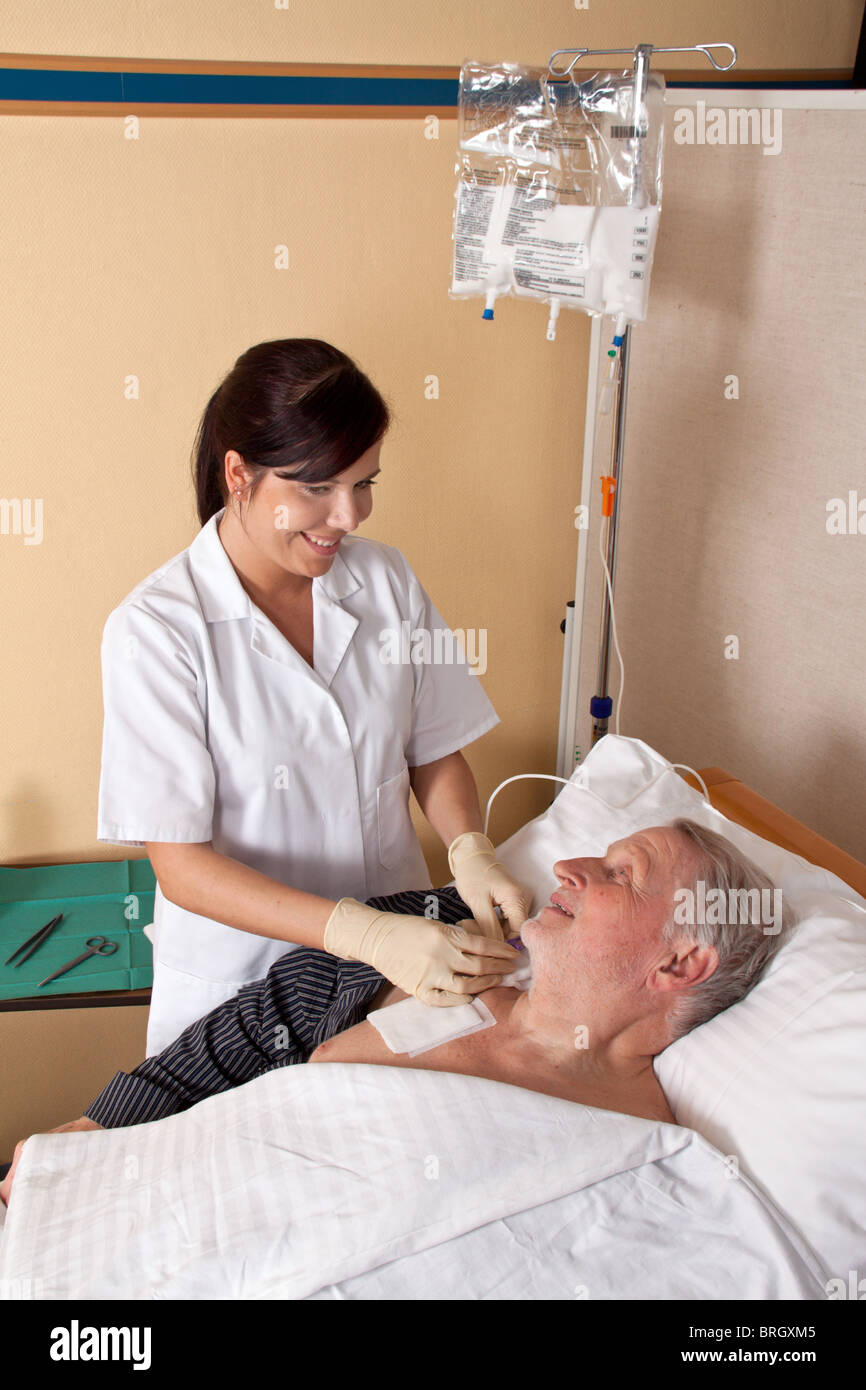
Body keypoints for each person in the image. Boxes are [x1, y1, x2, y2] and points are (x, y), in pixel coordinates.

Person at [96, 337, 530, 1057]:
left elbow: (433, 751)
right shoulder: (157, 630)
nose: (349, 516)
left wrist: (470, 849)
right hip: (241, 985)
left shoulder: (386, 581)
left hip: (394, 975)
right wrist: (362, 932)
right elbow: (182, 867)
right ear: (239, 474)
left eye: (364, 484)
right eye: (317, 489)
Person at [0, 818, 795, 1205]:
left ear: (680, 963)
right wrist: (97, 1128)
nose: (567, 865)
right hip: (142, 1185)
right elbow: (247, 1030)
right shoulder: (432, 942)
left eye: (621, 873)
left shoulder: (642, 1154)